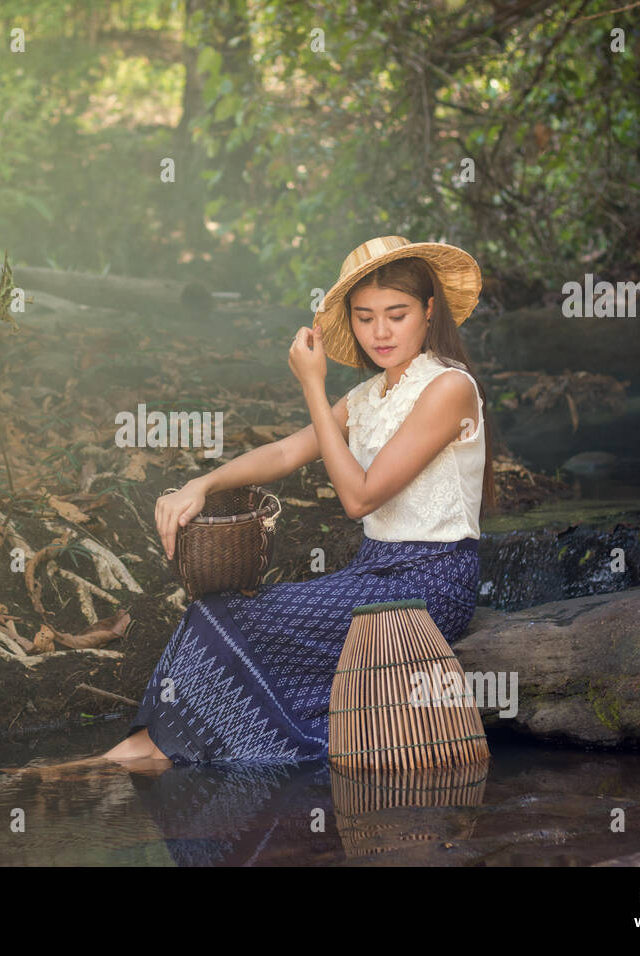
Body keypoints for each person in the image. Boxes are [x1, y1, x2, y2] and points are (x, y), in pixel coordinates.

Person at [102, 235, 495, 768]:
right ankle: (156, 745)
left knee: (235, 622)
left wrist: (313, 385)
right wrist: (203, 484)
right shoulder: (368, 397)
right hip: (374, 571)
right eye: (364, 317)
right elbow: (288, 452)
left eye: (396, 315)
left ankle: (166, 750)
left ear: (429, 312)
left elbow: (358, 499)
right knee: (213, 610)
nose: (380, 332)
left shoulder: (450, 387)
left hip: (430, 582)